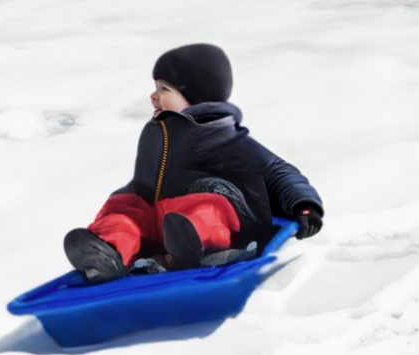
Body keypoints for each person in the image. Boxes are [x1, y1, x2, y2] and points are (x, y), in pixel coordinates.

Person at [63, 42, 324, 283]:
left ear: (197, 97)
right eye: (155, 87)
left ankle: (197, 245)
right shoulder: (157, 134)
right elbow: (146, 184)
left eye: (164, 89)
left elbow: (278, 171)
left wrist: (304, 205)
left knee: (203, 205)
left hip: (227, 226)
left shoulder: (225, 136)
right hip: (164, 220)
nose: (153, 96)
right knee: (127, 206)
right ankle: (109, 250)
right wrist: (125, 201)